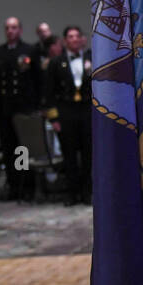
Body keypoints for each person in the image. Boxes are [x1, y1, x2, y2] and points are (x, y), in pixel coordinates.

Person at [0, 17, 42, 200]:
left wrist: (37, 106)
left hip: (23, 109)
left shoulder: (29, 51)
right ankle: (13, 184)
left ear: (20, 30)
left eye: (14, 27)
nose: (10, 31)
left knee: (23, 149)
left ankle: (26, 184)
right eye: (8, 28)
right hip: (4, 109)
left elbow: (37, 80)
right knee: (9, 149)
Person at [45, 25, 94, 205]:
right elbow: (48, 93)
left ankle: (87, 192)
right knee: (69, 155)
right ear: (65, 41)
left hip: (87, 110)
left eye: (76, 36)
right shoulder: (56, 62)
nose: (74, 39)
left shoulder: (92, 58)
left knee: (88, 154)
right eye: (70, 37)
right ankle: (72, 193)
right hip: (67, 111)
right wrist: (54, 118)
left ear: (82, 39)